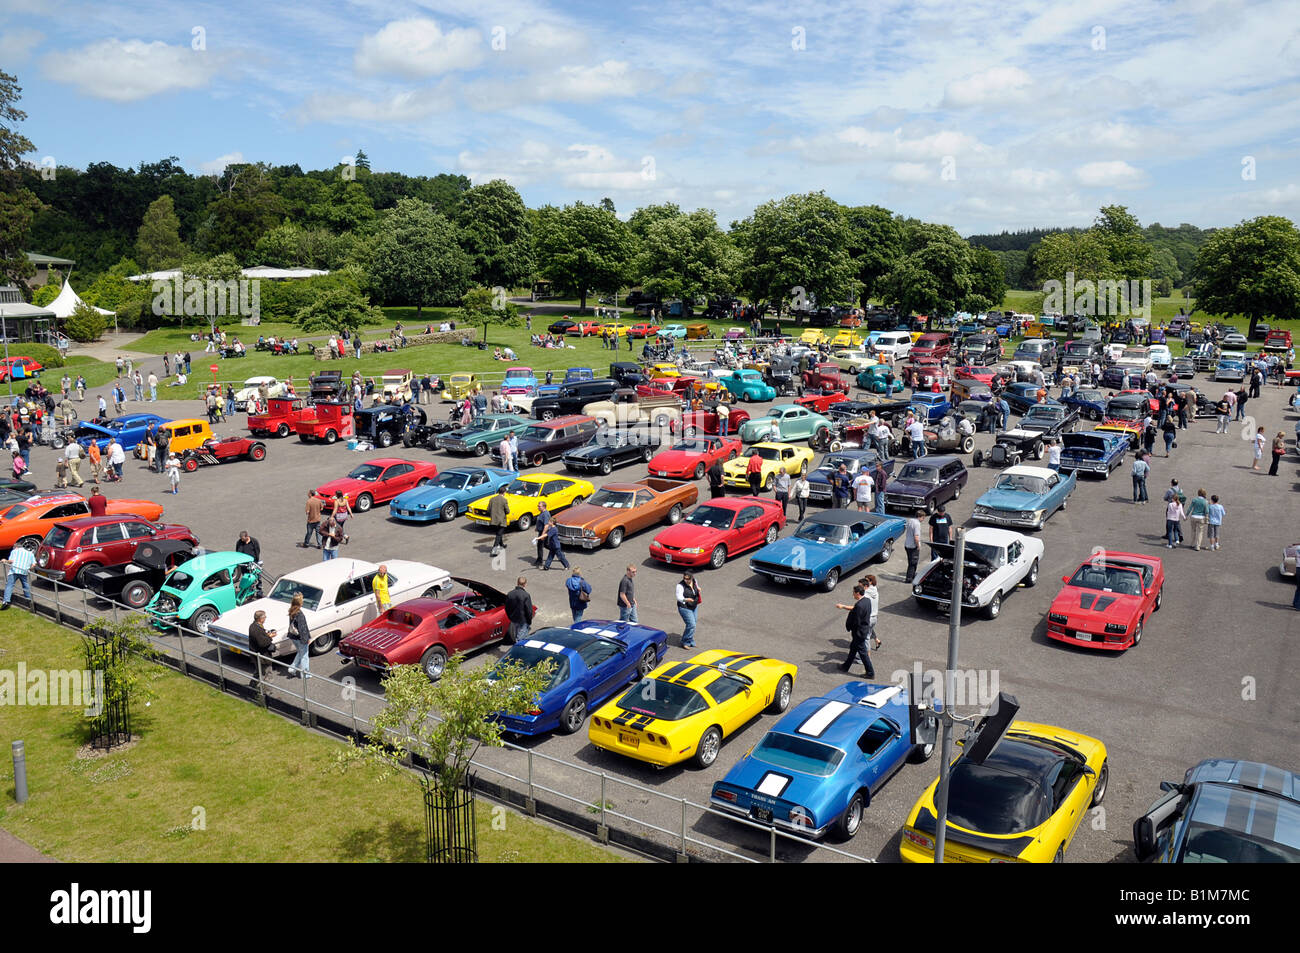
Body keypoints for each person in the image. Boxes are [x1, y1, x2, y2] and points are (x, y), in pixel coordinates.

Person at [835, 584, 875, 676]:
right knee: (853, 649)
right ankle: (845, 666)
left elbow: (856, 621)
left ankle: (870, 672)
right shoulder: (867, 601)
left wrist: (850, 627)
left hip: (859, 633)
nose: (853, 594)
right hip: (863, 630)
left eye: (853, 593)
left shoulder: (859, 605)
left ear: (858, 593)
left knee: (863, 653)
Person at [2, 542, 36, 609]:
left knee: (9, 585)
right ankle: (29, 598)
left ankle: (6, 601)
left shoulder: (14, 551)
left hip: (14, 570)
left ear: (16, 547)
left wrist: (5, 560)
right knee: (25, 585)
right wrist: (29, 569)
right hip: (24, 571)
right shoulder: (30, 553)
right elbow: (34, 564)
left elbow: (11, 561)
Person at [285, 593, 311, 678]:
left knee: (300, 653)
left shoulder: (291, 611)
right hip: (300, 638)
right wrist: (306, 639)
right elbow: (302, 629)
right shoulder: (300, 614)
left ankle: (292, 668)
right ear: (300, 603)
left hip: (293, 637)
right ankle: (305, 674)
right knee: (304, 656)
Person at [675, 572, 701, 648]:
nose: (685, 580)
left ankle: (690, 640)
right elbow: (679, 597)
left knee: (693, 624)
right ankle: (685, 641)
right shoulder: (680, 586)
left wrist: (698, 589)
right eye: (684, 578)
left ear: (692, 578)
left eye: (687, 579)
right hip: (684, 607)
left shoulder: (695, 581)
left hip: (694, 606)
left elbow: (696, 588)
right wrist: (686, 599)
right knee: (691, 624)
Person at [505, 576, 534, 642]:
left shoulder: (510, 594)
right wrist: (529, 621)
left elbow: (507, 607)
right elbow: (529, 610)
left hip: (514, 619)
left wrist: (510, 617)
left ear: (517, 582)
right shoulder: (526, 595)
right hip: (523, 620)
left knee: (516, 636)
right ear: (524, 584)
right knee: (520, 639)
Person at [488, 486, 510, 555]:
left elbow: (488, 509)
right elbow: (507, 511)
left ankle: (502, 545)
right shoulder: (504, 500)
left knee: (499, 533)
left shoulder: (492, 499)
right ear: (504, 492)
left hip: (494, 520)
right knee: (499, 534)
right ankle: (494, 550)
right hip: (501, 520)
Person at [904, 509, 922, 582]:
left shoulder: (910, 520)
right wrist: (918, 546)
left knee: (910, 561)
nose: (922, 520)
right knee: (913, 563)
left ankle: (911, 576)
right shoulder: (917, 524)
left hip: (907, 544)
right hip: (913, 546)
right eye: (923, 518)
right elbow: (916, 537)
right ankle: (909, 578)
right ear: (921, 517)